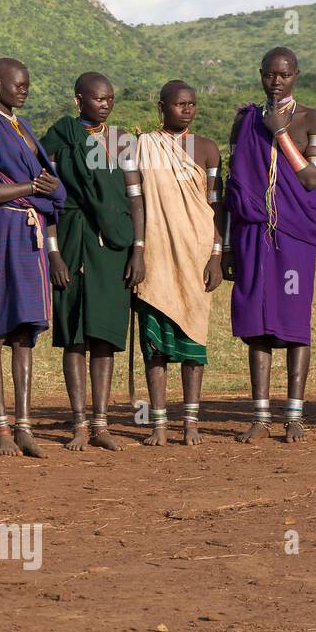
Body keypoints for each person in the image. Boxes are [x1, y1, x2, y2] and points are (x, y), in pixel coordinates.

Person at [225, 47, 316, 443]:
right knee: (257, 323)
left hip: (295, 235)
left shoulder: (311, 118)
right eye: (270, 74)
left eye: (284, 75)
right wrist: (227, 246)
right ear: (260, 74)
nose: (276, 81)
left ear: (296, 76)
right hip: (253, 233)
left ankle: (294, 416)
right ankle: (259, 416)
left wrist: (280, 133)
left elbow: (311, 179)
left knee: (294, 320)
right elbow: (234, 184)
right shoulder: (245, 121)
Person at [41, 72, 144, 450]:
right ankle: (79, 423)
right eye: (98, 98)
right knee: (74, 336)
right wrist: (53, 253)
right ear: (78, 100)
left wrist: (139, 248)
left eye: (110, 98)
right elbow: (47, 200)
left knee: (104, 335)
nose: (105, 104)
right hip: (71, 240)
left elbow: (135, 200)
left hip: (112, 246)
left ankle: (102, 424)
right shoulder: (60, 136)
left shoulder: (121, 141)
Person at [0, 58, 65, 457]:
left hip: (33, 236)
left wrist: (50, 189)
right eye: (17, 84)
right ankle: (1, 429)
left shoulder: (24, 129)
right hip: (3, 231)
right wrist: (31, 186)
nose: (24, 89)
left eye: (27, 83)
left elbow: (53, 191)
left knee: (26, 330)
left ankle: (24, 426)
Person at [132, 81, 223, 445]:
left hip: (196, 252)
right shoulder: (143, 146)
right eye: (179, 104)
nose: (187, 109)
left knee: (194, 340)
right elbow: (134, 201)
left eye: (192, 104)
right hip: (156, 253)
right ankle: (157, 423)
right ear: (162, 107)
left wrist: (217, 255)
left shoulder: (207, 149)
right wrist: (136, 250)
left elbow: (216, 206)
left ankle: (190, 423)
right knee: (155, 346)